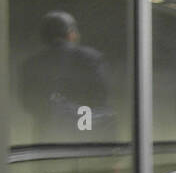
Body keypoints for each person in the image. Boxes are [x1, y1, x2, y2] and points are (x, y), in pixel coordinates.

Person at [20, 11, 111, 143]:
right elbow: (101, 97)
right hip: (86, 134)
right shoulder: (91, 58)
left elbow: (29, 102)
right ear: (71, 33)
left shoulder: (31, 63)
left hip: (46, 137)